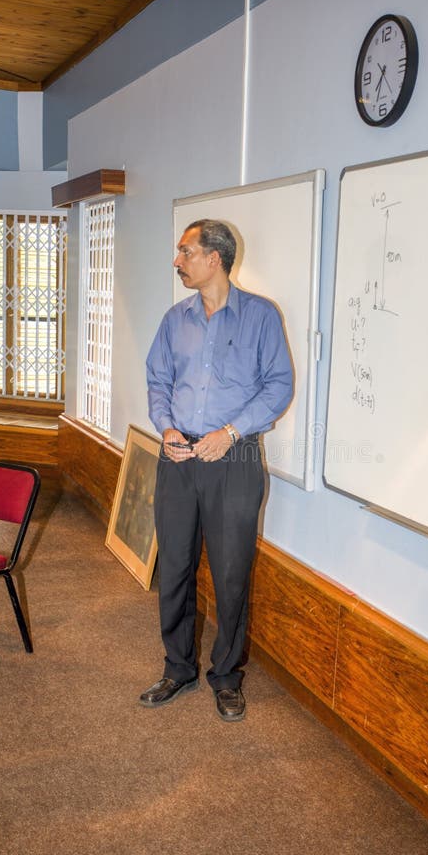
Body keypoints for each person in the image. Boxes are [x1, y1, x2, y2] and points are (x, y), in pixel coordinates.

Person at [141, 219, 293, 721]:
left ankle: (226, 676)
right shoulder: (175, 319)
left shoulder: (260, 317)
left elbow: (278, 386)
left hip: (235, 458)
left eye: (185, 251)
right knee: (175, 567)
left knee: (230, 573)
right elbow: (158, 379)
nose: (177, 261)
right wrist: (166, 427)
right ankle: (178, 667)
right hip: (178, 457)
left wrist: (228, 433)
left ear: (215, 258)